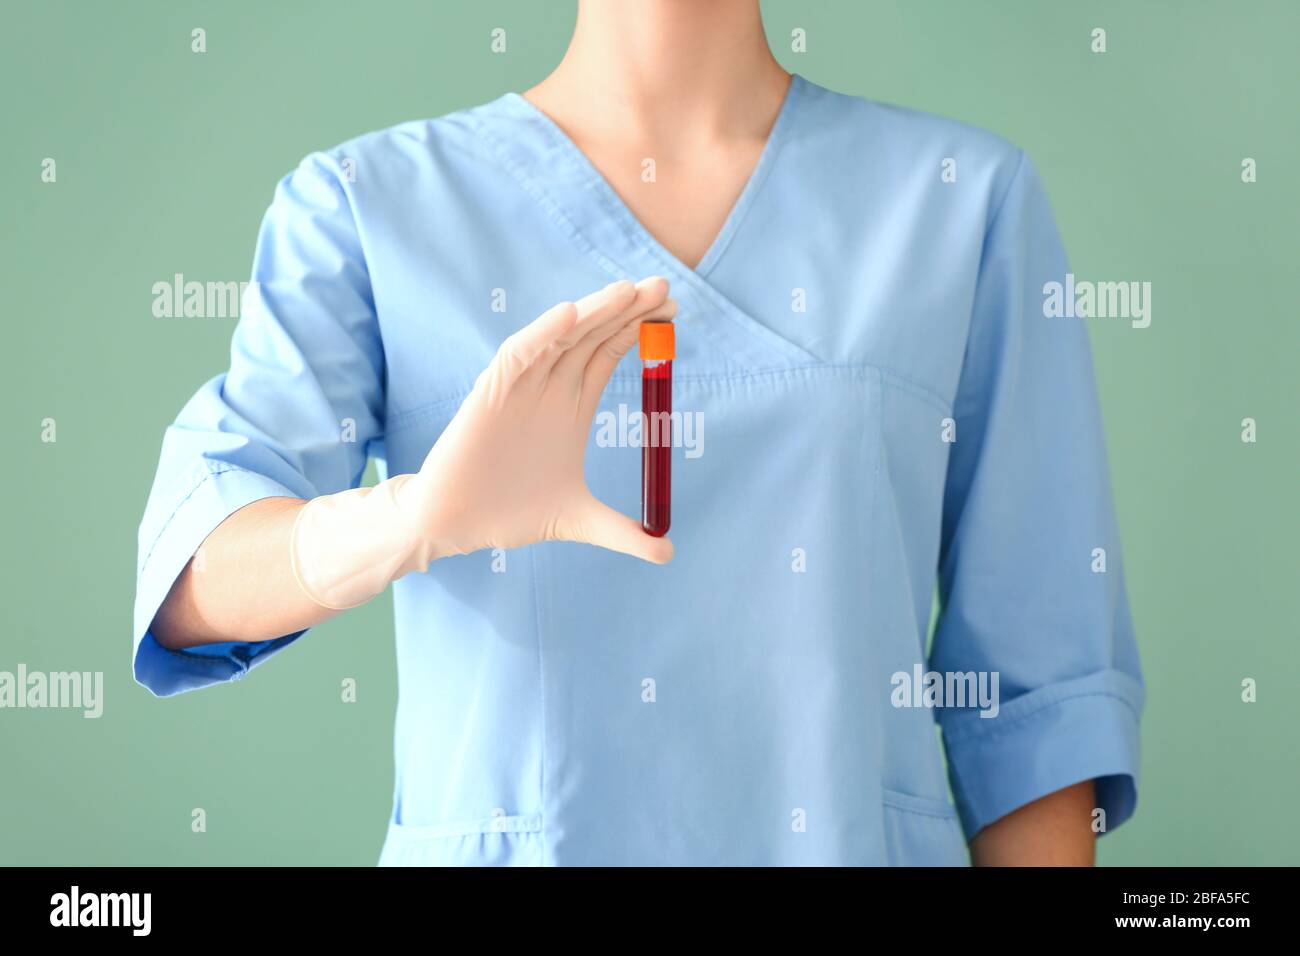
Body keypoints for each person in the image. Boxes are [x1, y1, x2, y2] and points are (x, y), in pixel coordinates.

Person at [134, 0, 1143, 866]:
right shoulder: (369, 206)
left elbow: (1037, 707)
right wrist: (412, 515)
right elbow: (194, 578)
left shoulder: (961, 203)